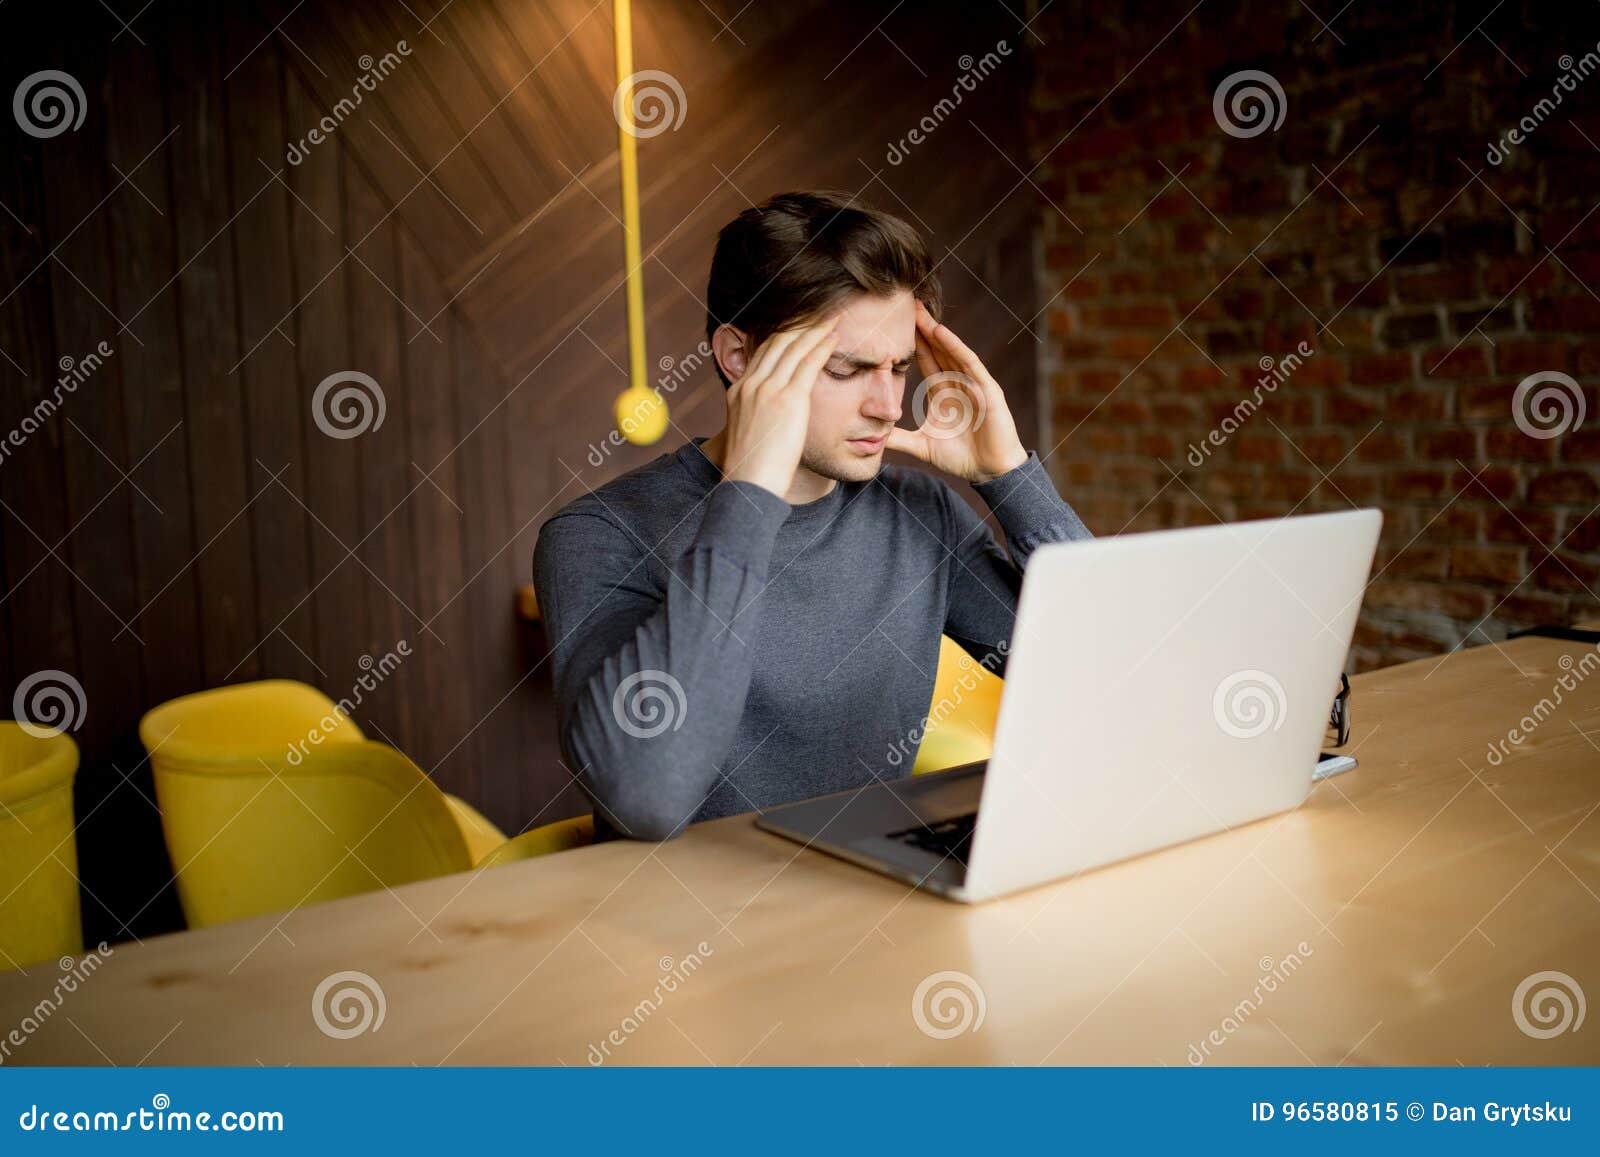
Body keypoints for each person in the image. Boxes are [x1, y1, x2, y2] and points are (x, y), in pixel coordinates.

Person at [532, 190, 1091, 841]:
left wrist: (1010, 477)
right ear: (739, 358)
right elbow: (647, 798)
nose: (888, 405)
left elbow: (1111, 675)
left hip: (874, 891)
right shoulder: (597, 535)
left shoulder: (921, 515)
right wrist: (750, 494)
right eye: (846, 369)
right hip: (693, 907)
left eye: (899, 368)